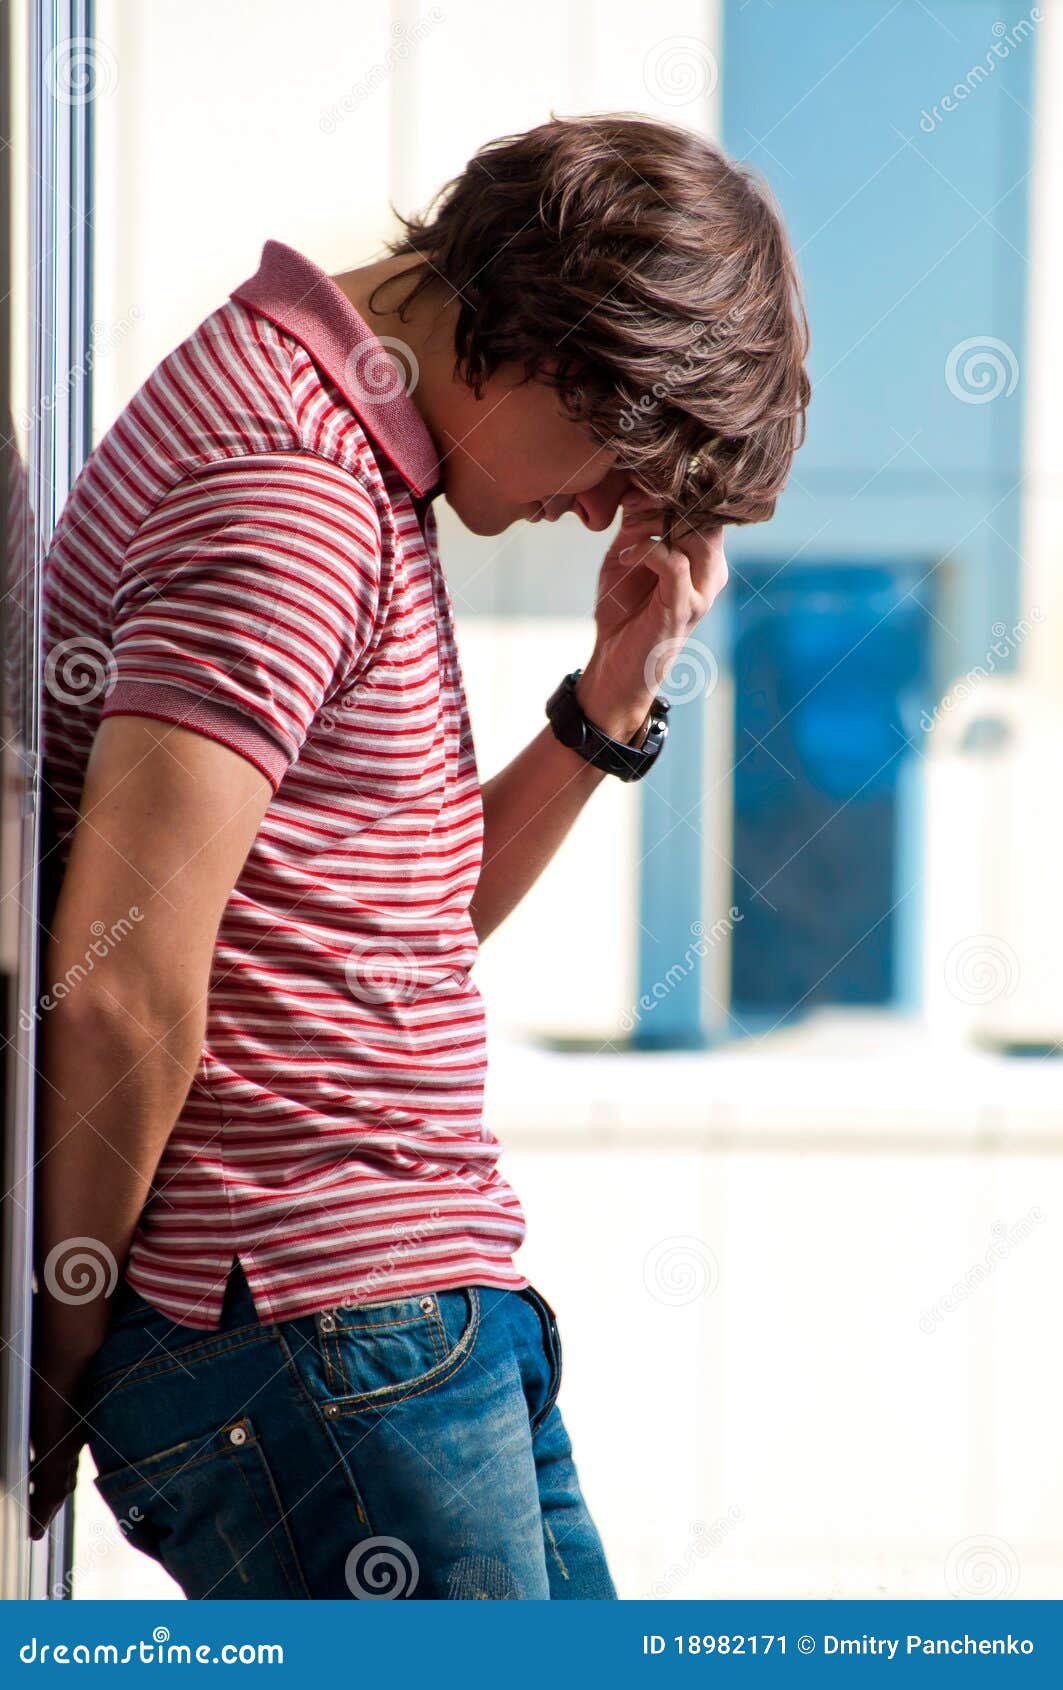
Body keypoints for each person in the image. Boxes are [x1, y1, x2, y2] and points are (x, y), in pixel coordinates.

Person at [29, 114, 808, 1598]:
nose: (599, 508)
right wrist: (53, 1355)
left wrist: (608, 700)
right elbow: (122, 982)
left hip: (399, 1319)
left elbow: (404, 931)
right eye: (616, 455)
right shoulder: (292, 487)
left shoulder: (355, 465)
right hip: (317, 1324)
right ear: (555, 345)